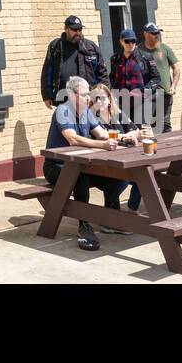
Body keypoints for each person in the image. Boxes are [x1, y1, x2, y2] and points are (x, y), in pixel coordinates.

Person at [44, 76, 137, 251]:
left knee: (116, 178)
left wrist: (126, 137)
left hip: (79, 164)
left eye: (89, 95)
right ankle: (84, 224)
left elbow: (102, 134)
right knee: (81, 176)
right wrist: (102, 145)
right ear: (71, 94)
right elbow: (72, 138)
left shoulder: (86, 112)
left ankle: (110, 220)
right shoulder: (63, 111)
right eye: (85, 95)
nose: (89, 99)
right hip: (56, 166)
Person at [91, 82, 153, 214]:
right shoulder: (92, 118)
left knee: (147, 170)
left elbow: (136, 130)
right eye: (95, 98)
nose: (99, 101)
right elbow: (102, 137)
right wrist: (126, 136)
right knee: (124, 178)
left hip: (123, 158)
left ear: (109, 100)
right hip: (103, 161)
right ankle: (111, 216)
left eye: (102, 98)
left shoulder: (117, 114)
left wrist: (134, 134)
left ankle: (132, 207)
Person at [41, 16, 104, 108]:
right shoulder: (55, 47)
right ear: (66, 29)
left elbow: (102, 73)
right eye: (74, 30)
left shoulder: (90, 47)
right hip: (64, 99)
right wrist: (47, 95)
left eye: (80, 29)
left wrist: (102, 95)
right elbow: (47, 72)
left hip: (88, 99)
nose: (78, 33)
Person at [108, 29, 161, 131]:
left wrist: (145, 91)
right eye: (127, 41)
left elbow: (156, 77)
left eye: (133, 41)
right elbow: (112, 77)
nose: (130, 44)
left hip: (141, 102)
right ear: (121, 42)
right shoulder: (115, 58)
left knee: (142, 132)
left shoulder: (145, 57)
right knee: (125, 133)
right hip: (122, 103)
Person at [141, 22, 179, 133]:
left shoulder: (165, 48)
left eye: (158, 32)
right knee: (149, 125)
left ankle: (169, 149)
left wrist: (173, 86)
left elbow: (176, 68)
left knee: (166, 124)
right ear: (146, 34)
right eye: (153, 33)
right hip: (148, 94)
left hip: (166, 93)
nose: (157, 35)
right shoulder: (139, 50)